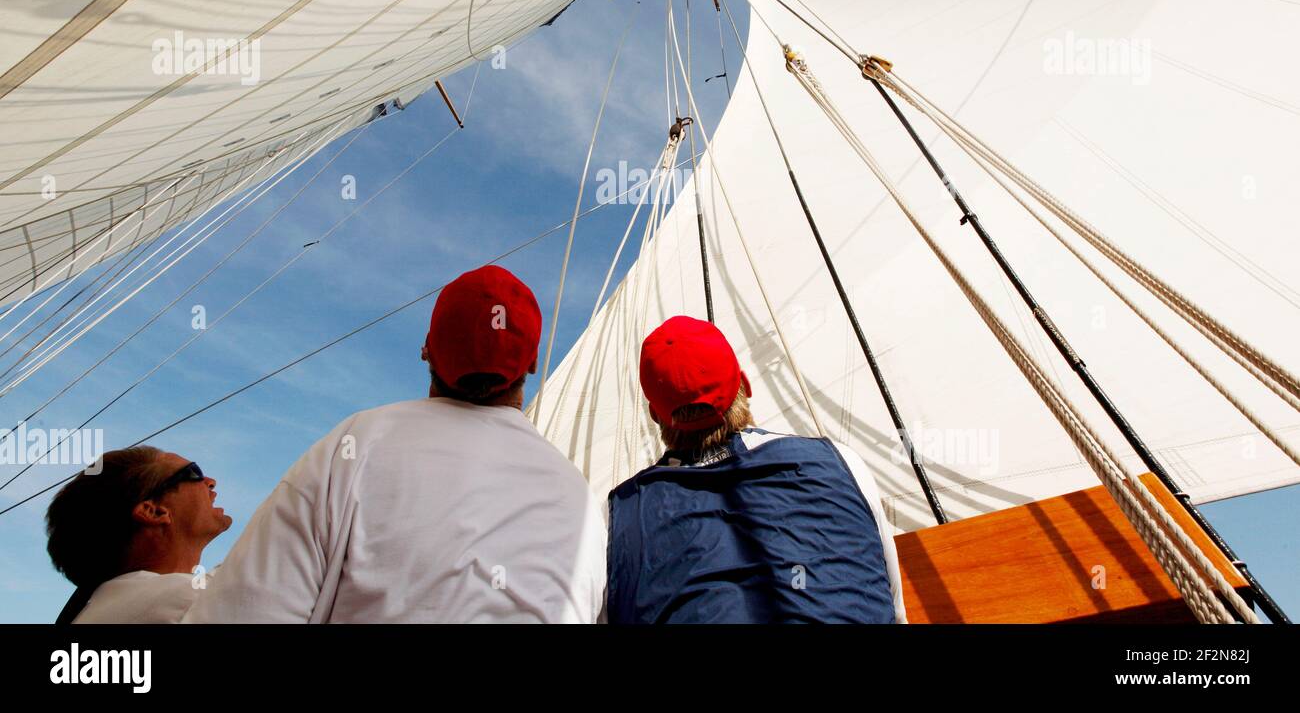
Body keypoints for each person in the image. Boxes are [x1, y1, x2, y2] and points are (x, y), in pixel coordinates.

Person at [185, 265, 606, 623]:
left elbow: (243, 610)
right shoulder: (583, 503)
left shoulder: (353, 447)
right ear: (533, 360)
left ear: (426, 351)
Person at [606, 316, 908, 624]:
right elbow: (894, 608)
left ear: (655, 415)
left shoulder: (618, 518)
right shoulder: (842, 463)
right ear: (744, 384)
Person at [45, 447, 231, 624]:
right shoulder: (176, 600)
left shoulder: (108, 607)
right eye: (194, 472)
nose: (210, 481)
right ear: (154, 512)